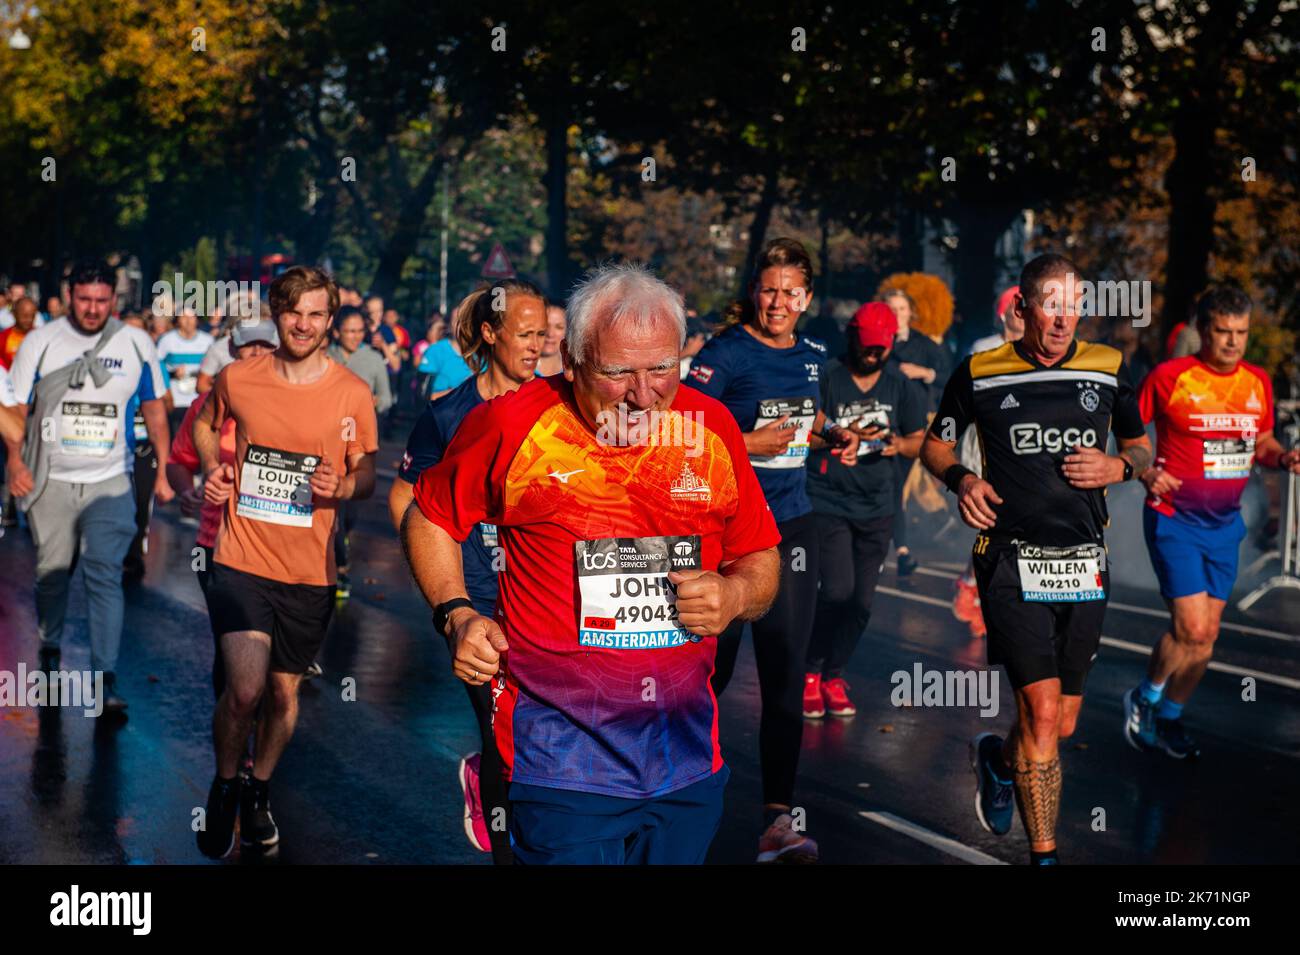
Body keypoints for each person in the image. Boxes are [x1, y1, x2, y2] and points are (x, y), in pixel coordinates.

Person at [401, 262, 781, 865]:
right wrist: (457, 613)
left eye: (662, 367)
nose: (643, 392)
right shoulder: (514, 424)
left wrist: (736, 597)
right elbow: (428, 516)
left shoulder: (712, 429)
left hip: (684, 762)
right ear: (572, 361)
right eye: (617, 372)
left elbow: (760, 553)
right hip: (560, 761)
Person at [920, 253, 1152, 865]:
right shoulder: (979, 372)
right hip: (1009, 560)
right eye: (1051, 304)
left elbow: (1140, 445)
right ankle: (1044, 857)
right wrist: (964, 480)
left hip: (1084, 562)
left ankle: (998, 759)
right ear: (1022, 308)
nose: (1063, 318)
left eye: (1073, 305)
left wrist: (1120, 467)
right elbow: (935, 444)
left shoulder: (1107, 368)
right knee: (1043, 715)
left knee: (1062, 724)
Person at [193, 266, 378, 858]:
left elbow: (367, 475)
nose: (305, 324)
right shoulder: (239, 378)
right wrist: (212, 468)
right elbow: (202, 423)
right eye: (294, 311)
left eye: (317, 313)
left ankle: (259, 790)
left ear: (330, 320)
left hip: (310, 572)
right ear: (277, 313)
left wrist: (342, 486)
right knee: (244, 691)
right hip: (241, 558)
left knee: (281, 695)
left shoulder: (351, 392)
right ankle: (225, 785)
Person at [687, 237, 859, 863]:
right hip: (727, 530)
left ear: (807, 299)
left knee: (786, 674)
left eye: (791, 292)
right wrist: (744, 443)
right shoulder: (725, 352)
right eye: (769, 289)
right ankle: (679, 789)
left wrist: (831, 434)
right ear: (753, 292)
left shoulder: (814, 356)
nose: (778, 302)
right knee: (712, 672)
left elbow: (806, 420)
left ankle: (776, 823)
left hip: (790, 525)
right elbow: (683, 423)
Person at [388, 278, 548, 864]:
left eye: (545, 335)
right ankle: (509, 846)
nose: (538, 346)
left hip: (547, 591)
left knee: (541, 731)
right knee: (504, 731)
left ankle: (503, 790)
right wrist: (444, 588)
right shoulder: (448, 414)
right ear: (490, 333)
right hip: (479, 596)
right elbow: (406, 499)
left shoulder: (557, 406)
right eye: (526, 334)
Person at [1123, 286, 1300, 759]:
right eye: (1223, 332)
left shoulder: (1258, 381)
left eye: (1241, 333)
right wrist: (1145, 471)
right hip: (1174, 520)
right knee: (1193, 628)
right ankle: (1145, 695)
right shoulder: (1168, 378)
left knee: (1206, 638)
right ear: (1203, 331)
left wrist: (1282, 457)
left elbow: (1260, 442)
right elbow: (1128, 436)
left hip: (1226, 525)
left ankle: (1170, 716)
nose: (1232, 343)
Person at [5, 259, 174, 715]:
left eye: (102, 300)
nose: (93, 308)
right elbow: (14, 410)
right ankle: (50, 649)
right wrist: (15, 463)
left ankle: (104, 678)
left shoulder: (136, 342)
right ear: (69, 295)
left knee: (104, 574)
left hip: (110, 482)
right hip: (51, 480)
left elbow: (155, 408)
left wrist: (162, 469)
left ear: (114, 300)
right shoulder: (41, 342)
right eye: (85, 299)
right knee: (52, 572)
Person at [804, 302, 927, 718]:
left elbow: (919, 440)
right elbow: (807, 423)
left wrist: (895, 444)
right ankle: (810, 670)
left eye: (881, 348)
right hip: (829, 499)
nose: (873, 355)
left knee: (861, 603)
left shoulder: (900, 385)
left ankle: (834, 675)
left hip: (877, 506)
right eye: (867, 346)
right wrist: (838, 434)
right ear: (852, 337)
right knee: (836, 591)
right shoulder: (828, 376)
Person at [167, 319, 279, 696]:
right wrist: (187, 492)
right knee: (232, 648)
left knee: (278, 661)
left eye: (267, 346)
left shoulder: (297, 403)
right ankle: (234, 746)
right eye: (250, 346)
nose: (259, 354)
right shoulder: (207, 404)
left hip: (282, 544)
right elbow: (179, 460)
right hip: (218, 545)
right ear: (232, 351)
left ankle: (263, 742)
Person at [954, 286, 1025, 638]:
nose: (1020, 313)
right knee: (993, 521)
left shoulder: (1036, 352)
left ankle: (978, 589)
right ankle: (973, 586)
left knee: (1010, 523)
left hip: (1019, 448)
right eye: (1014, 307)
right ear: (1003, 313)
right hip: (983, 445)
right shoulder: (983, 348)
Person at [882, 287, 952, 576]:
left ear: (910, 312)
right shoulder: (877, 343)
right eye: (891, 309)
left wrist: (924, 373)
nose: (897, 315)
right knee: (889, 486)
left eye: (902, 309)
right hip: (881, 423)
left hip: (913, 426)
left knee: (898, 485)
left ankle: (904, 548)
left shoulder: (925, 345)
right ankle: (896, 548)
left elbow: (951, 375)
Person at [328, 304, 394, 597]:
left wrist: (370, 404)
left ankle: (342, 539)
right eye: (348, 331)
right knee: (330, 503)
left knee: (352, 502)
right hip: (327, 435)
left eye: (359, 331)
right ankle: (337, 566)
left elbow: (388, 398)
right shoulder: (325, 355)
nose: (354, 336)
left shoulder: (372, 359)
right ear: (336, 331)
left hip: (358, 435)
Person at [156, 306, 215, 431]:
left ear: (197, 319)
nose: (188, 321)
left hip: (200, 397)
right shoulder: (167, 340)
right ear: (177, 320)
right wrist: (172, 373)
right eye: (184, 317)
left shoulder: (208, 341)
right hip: (176, 399)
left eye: (191, 317)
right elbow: (156, 367)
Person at [417, 325, 473, 400]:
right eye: (457, 320)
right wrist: (460, 390)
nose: (463, 325)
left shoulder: (483, 355)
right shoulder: (435, 350)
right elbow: (423, 396)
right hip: (442, 408)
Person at [0, 296, 37, 368]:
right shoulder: (3, 338)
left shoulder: (41, 337)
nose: (29, 320)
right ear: (14, 314)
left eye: (32, 316)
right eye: (25, 316)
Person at [537, 303, 566, 376]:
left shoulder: (573, 371)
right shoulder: (521, 369)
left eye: (559, 327)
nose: (550, 334)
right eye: (545, 325)